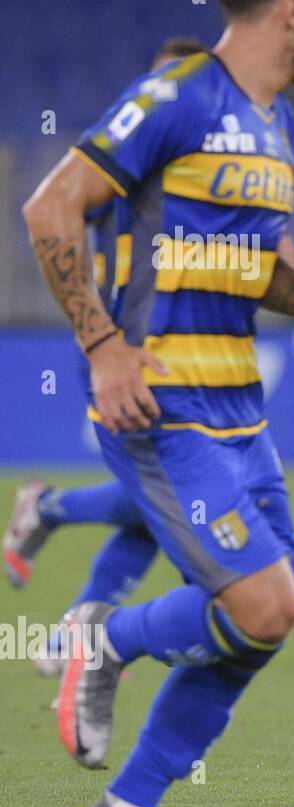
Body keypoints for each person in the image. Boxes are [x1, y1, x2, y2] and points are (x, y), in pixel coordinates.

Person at [22, 0, 294, 807]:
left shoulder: (275, 119)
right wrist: (102, 345)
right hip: (160, 404)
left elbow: (266, 277)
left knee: (264, 621)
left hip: (238, 409)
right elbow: (50, 207)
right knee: (265, 602)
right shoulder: (178, 95)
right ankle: (106, 639)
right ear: (290, 10)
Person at [4, 36, 205, 678]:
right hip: (120, 347)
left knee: (153, 498)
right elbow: (54, 211)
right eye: (159, 85)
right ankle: (52, 520)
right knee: (167, 496)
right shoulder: (121, 150)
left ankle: (76, 620)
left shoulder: (207, 162)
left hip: (182, 353)